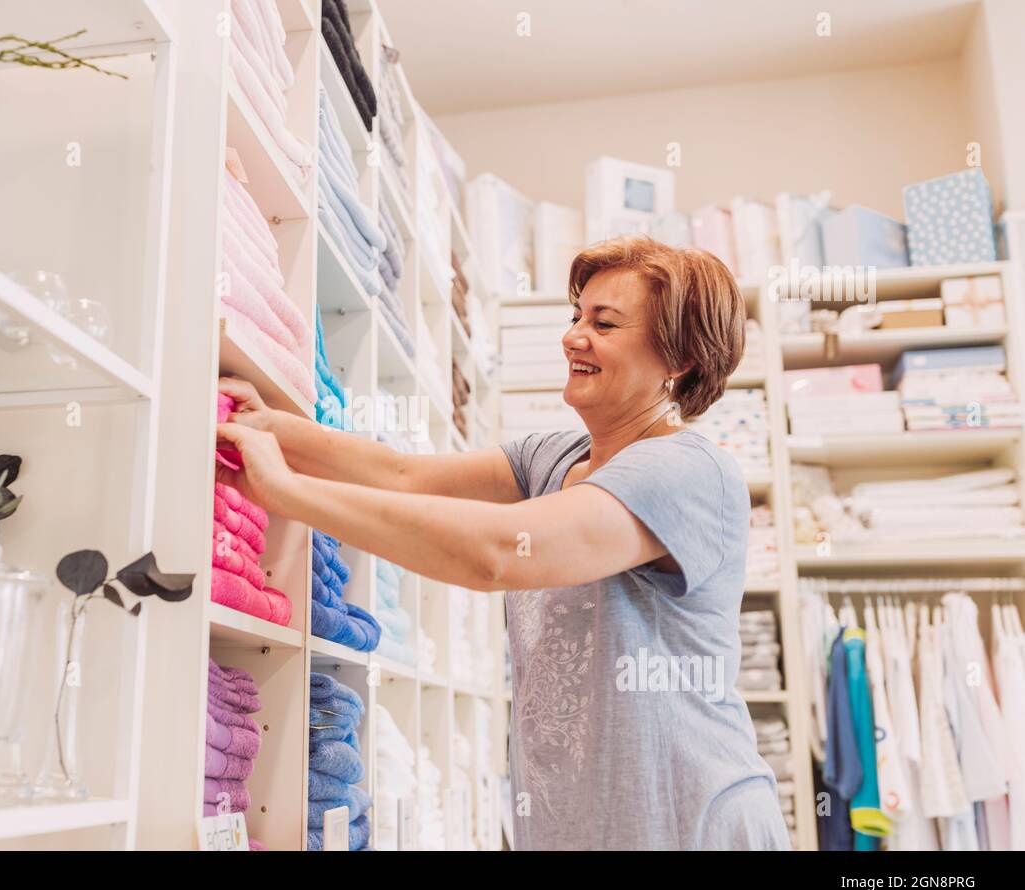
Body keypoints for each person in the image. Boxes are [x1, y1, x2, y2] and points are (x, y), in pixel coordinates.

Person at [215, 235, 789, 850]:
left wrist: (282, 489)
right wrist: (274, 425)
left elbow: (495, 554)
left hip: (687, 824)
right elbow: (403, 475)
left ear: (678, 359)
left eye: (605, 323)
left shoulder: (687, 471)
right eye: (576, 316)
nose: (574, 336)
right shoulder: (552, 457)